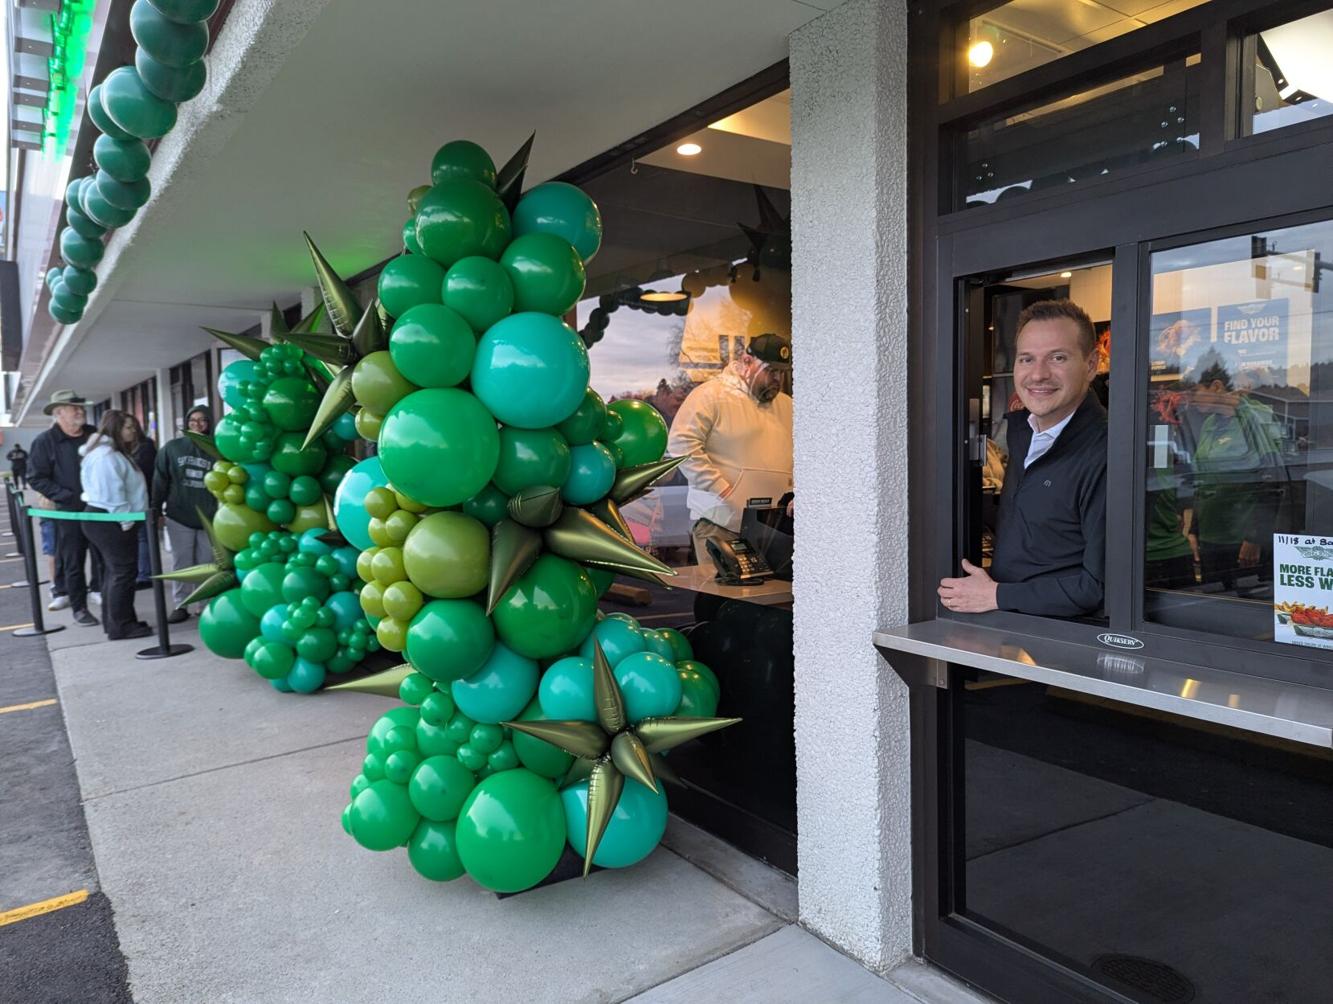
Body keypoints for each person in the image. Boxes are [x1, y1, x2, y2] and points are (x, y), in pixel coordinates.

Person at [939, 299, 1107, 617]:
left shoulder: (1107, 451)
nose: (1038, 374)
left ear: (1090, 364)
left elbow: (1098, 587)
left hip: (1070, 647)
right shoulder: (1023, 435)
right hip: (1018, 636)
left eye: (1058, 358)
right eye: (1026, 359)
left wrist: (998, 596)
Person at [668, 333, 793, 564]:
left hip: (773, 529)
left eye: (781, 372)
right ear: (747, 362)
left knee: (765, 599)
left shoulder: (788, 406)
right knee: (720, 597)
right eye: (770, 371)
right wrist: (720, 487)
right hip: (720, 524)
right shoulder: (711, 395)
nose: (777, 378)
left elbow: (809, 455)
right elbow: (681, 444)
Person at [27, 390, 99, 626]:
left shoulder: (95, 435)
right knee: (73, 561)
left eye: (81, 407)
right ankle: (79, 608)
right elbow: (36, 477)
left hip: (100, 509)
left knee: (103, 557)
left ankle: (103, 594)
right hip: (69, 512)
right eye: (73, 408)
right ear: (59, 413)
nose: (80, 411)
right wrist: (65, 496)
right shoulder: (44, 442)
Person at [79, 410, 152, 640]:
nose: (133, 431)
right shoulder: (106, 456)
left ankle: (119, 622)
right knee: (121, 572)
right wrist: (127, 521)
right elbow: (111, 495)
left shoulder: (111, 453)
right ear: (115, 429)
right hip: (110, 519)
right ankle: (121, 626)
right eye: (128, 427)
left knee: (114, 573)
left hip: (108, 519)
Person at [152, 406, 218, 622]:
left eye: (202, 420)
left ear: (209, 423)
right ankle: (181, 604)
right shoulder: (172, 448)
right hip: (179, 515)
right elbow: (160, 480)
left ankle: (204, 604)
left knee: (207, 562)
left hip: (210, 517)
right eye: (193, 420)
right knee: (182, 562)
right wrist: (155, 508)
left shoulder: (219, 449)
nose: (197, 425)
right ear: (186, 423)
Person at [121, 414, 158, 588]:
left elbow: (146, 473)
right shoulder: (123, 449)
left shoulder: (145, 446)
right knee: (136, 538)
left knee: (144, 537)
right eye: (128, 427)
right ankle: (140, 572)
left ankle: (145, 574)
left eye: (133, 426)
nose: (132, 430)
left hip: (144, 499)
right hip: (130, 501)